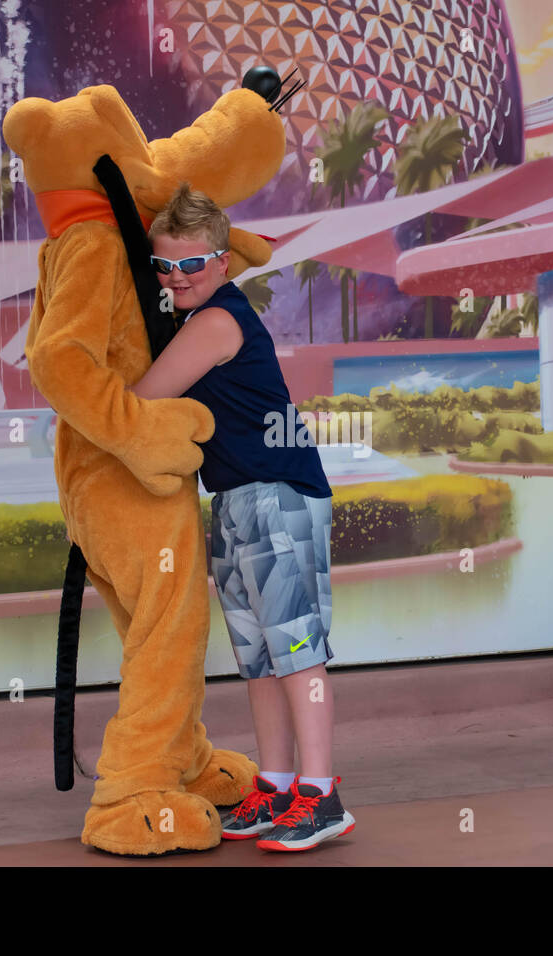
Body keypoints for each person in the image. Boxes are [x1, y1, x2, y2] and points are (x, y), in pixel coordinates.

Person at [127, 181, 355, 852]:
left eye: (191, 263)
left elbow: (144, 398)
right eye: (163, 265)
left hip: (275, 492)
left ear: (222, 262)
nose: (176, 276)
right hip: (236, 497)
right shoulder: (196, 314)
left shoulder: (217, 323)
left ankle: (320, 795)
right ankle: (278, 785)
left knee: (295, 651)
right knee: (259, 657)